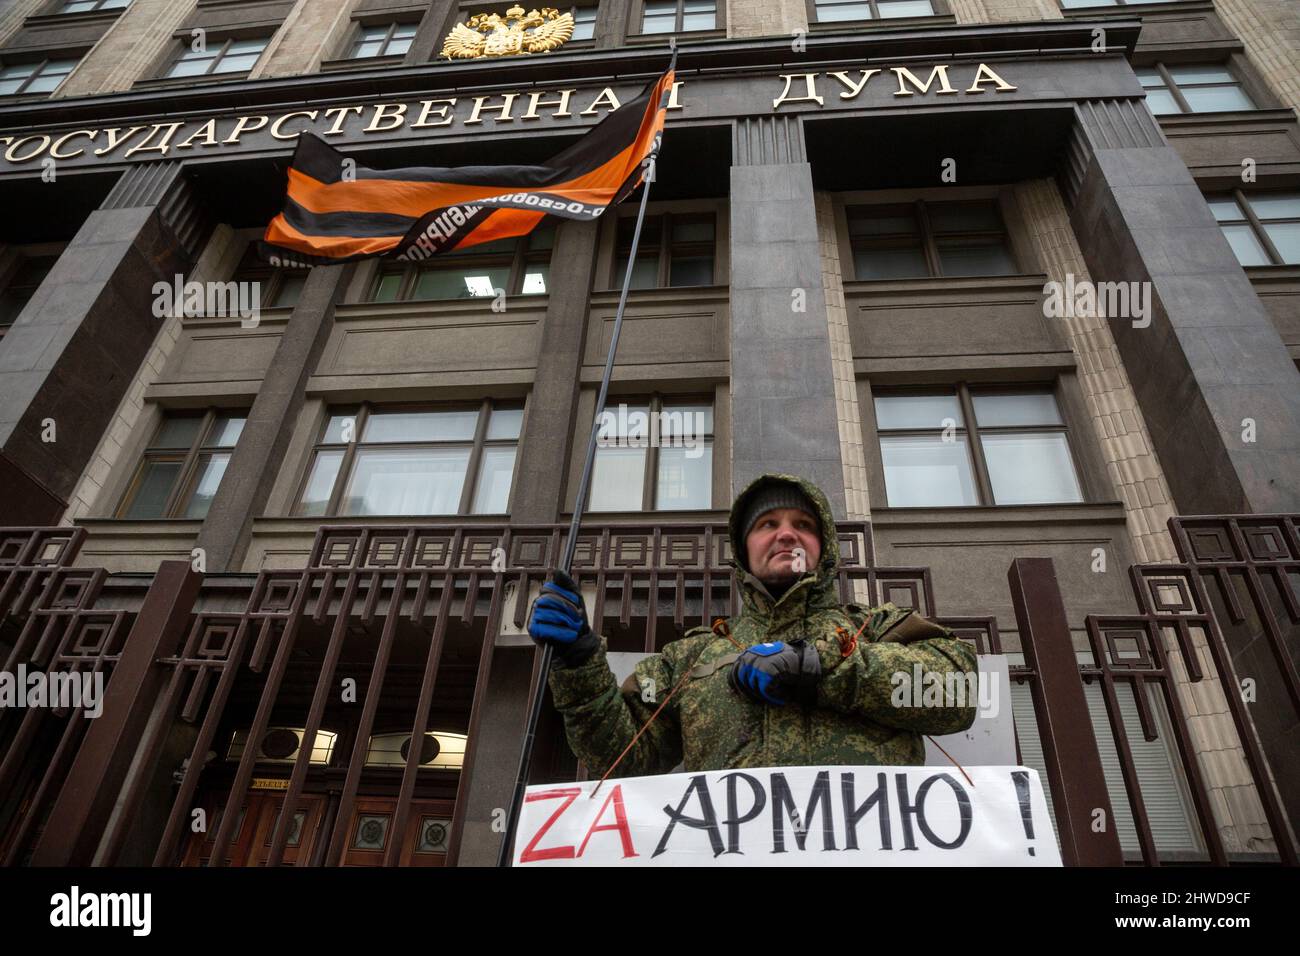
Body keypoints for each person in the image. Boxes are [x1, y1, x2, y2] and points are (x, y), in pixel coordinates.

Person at [527, 471, 978, 778]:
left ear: (824, 546)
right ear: (744, 549)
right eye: (767, 523)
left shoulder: (878, 628)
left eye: (803, 524)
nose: (787, 534)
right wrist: (579, 663)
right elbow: (622, 757)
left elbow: (958, 693)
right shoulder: (691, 657)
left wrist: (817, 665)